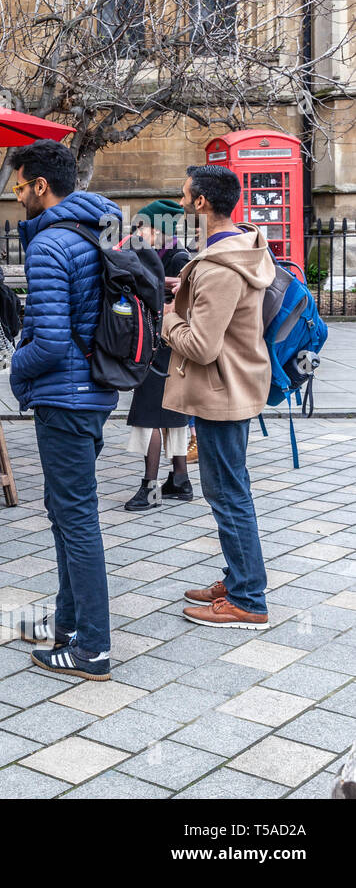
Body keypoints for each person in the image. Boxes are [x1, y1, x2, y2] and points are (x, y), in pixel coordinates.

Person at [7, 139, 120, 681]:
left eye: (21, 185)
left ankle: (92, 648)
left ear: (42, 186)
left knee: (75, 520)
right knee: (66, 513)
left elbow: (49, 343)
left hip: (65, 396)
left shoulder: (50, 244)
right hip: (94, 391)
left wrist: (15, 366)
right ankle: (70, 626)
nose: (17, 195)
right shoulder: (100, 227)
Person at [165, 165, 275, 630]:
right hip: (233, 384)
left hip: (221, 390)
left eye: (185, 194)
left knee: (228, 494)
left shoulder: (219, 267)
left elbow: (203, 346)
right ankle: (238, 578)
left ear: (202, 203)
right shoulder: (239, 249)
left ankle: (248, 599)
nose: (181, 199)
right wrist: (187, 296)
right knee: (231, 489)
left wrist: (169, 317)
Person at [124, 199, 194, 511]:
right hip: (162, 343)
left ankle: (149, 488)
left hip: (163, 343)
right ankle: (180, 480)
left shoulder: (177, 258)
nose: (138, 231)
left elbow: (181, 305)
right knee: (171, 413)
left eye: (143, 226)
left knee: (147, 415)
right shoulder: (154, 253)